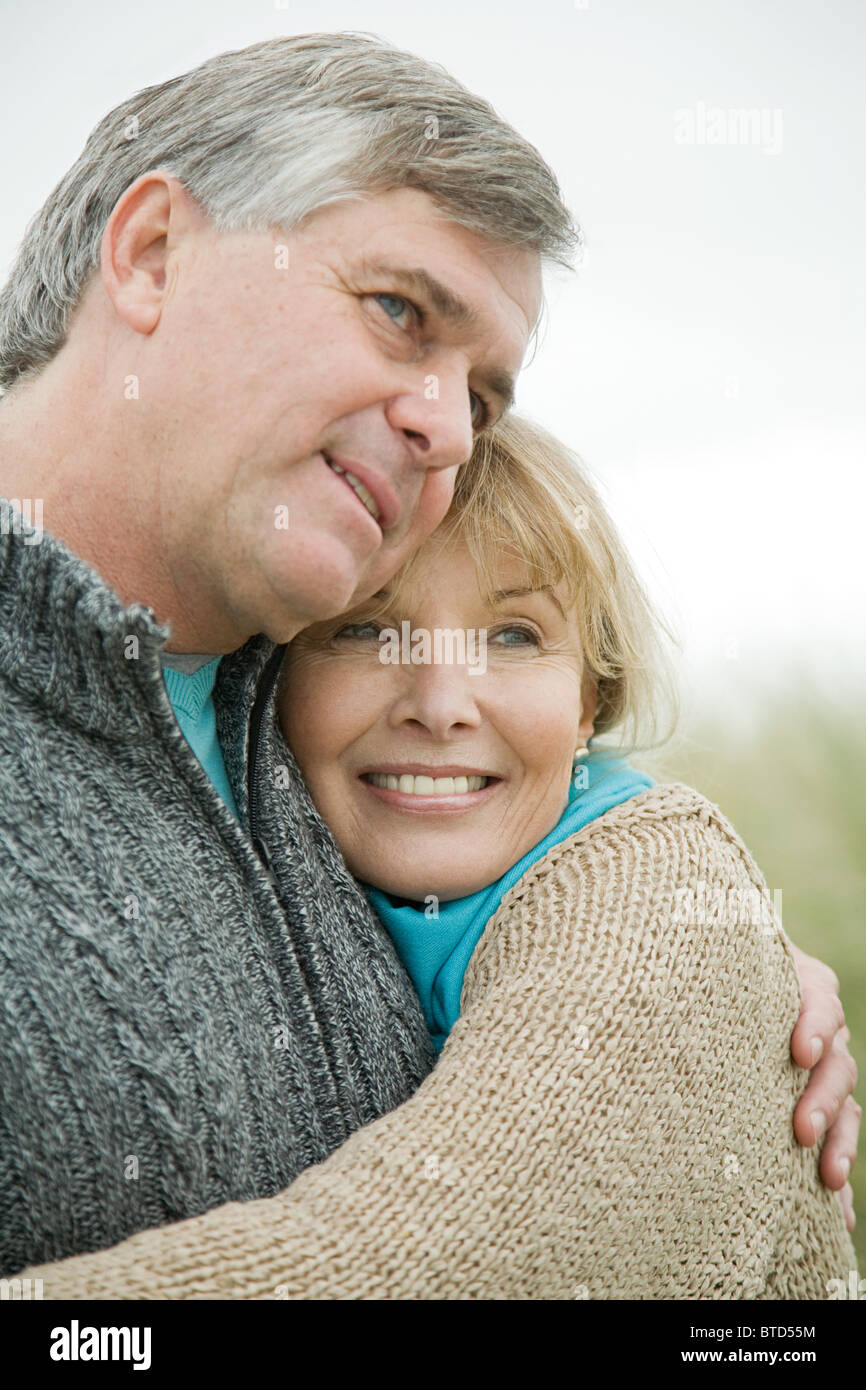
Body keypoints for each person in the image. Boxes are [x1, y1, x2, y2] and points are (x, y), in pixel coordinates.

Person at [20, 415, 859, 1298]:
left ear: (590, 700)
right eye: (372, 632)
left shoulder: (656, 896)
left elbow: (424, 1267)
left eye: (513, 636)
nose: (442, 703)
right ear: (273, 690)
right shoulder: (298, 858)